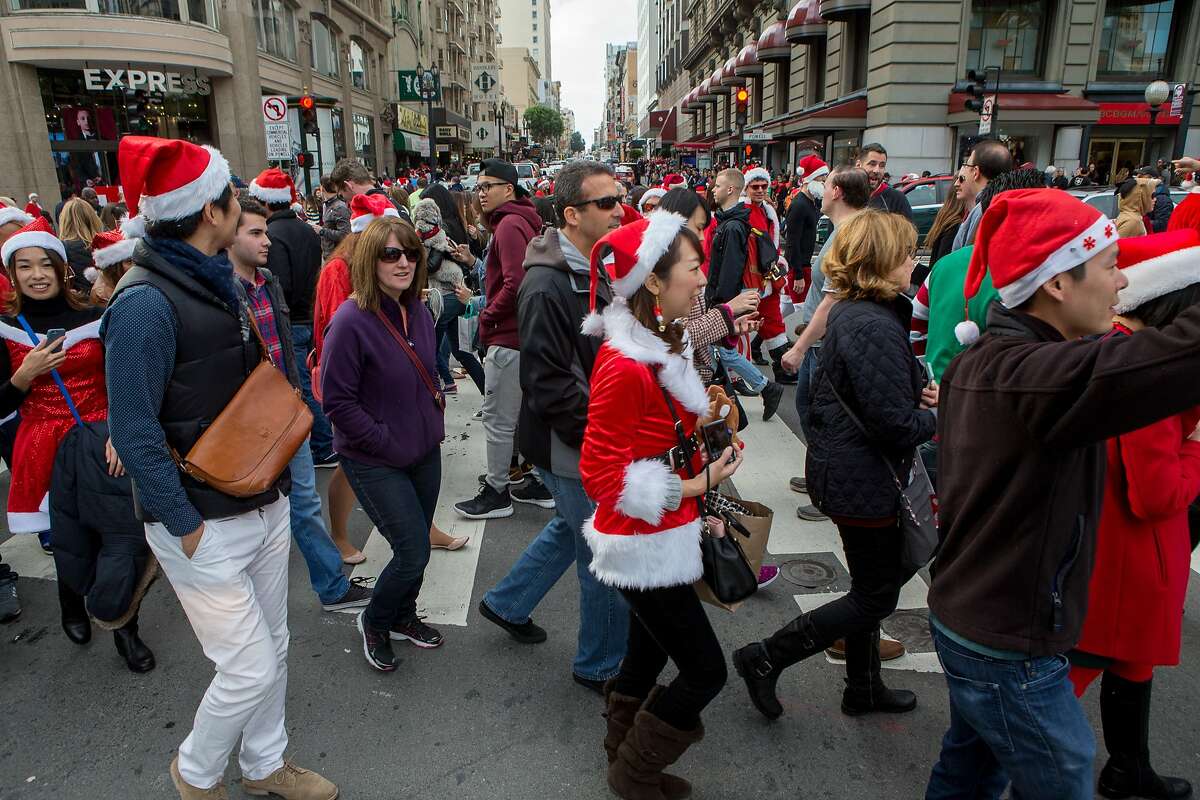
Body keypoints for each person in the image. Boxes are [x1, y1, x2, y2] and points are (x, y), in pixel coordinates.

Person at [924, 189, 1200, 800]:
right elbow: (1169, 359)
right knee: (1065, 775)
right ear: (1056, 284)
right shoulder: (1032, 375)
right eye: (1107, 266)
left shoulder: (999, 358)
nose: (1122, 280)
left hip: (979, 614)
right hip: (1007, 637)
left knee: (970, 770)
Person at [103, 136, 337, 800]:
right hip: (200, 521)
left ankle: (265, 766)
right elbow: (135, 429)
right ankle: (197, 773)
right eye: (234, 195)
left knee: (274, 648)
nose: (244, 204)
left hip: (258, 502)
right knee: (248, 667)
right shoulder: (145, 301)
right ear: (211, 211)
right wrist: (183, 525)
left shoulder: (213, 278)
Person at [734, 209, 934, 721]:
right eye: (908, 252)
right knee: (875, 596)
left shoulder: (858, 312)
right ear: (883, 260)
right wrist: (938, 415)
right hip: (864, 477)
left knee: (870, 587)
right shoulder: (871, 322)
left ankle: (863, 688)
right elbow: (892, 422)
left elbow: (865, 396)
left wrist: (917, 393)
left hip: (850, 471)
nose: (914, 261)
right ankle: (765, 657)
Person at [580, 212, 742, 800]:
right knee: (705, 671)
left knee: (646, 656)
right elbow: (600, 475)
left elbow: (655, 432)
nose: (703, 281)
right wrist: (697, 487)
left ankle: (621, 757)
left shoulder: (657, 342)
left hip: (662, 534)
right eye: (694, 269)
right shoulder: (624, 363)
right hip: (640, 542)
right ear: (653, 280)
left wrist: (707, 422)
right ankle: (634, 772)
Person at [479, 160, 630, 694]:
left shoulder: (591, 264)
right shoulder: (548, 284)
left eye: (618, 197)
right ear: (572, 214)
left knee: (570, 526)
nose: (619, 209)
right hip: (571, 442)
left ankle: (507, 602)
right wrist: (601, 437)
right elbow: (547, 384)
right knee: (603, 553)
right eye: (606, 203)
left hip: (579, 435)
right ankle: (601, 663)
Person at [1067, 229, 1200, 800]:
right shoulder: (1145, 370)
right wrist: (1196, 450)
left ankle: (1129, 767)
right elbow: (1155, 492)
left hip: (1110, 550)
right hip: (1126, 559)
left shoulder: (1116, 352)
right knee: (1075, 675)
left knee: (1129, 663)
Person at [0, 216, 155, 673]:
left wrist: (123, 432)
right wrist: (23, 376)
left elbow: (124, 378)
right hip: (43, 444)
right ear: (12, 273)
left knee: (122, 535)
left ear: (62, 267)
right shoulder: (5, 329)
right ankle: (72, 600)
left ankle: (126, 627)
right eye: (24, 266)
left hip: (103, 437)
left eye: (45, 263)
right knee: (69, 533)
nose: (36, 274)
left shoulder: (95, 317)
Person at [228, 196, 372, 614]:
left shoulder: (268, 280)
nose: (266, 241)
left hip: (285, 411)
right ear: (228, 236)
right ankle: (243, 601)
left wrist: (299, 399)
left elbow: (287, 351)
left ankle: (332, 587)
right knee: (251, 516)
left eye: (265, 232)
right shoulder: (219, 288)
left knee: (305, 503)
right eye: (255, 233)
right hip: (246, 422)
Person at [321, 215, 447, 671]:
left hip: (423, 451)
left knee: (417, 549)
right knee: (413, 549)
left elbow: (429, 371)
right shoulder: (350, 321)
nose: (404, 261)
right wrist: (383, 441)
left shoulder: (417, 308)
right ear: (369, 261)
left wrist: (432, 422)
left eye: (411, 252)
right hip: (375, 459)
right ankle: (375, 620)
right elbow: (336, 402)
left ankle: (403, 615)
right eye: (390, 253)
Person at [453, 159, 548, 519]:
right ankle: (531, 481)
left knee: (497, 419)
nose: (481, 192)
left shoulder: (508, 224)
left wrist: (487, 315)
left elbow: (516, 283)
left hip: (508, 339)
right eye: (478, 187)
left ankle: (496, 492)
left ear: (508, 189)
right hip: (522, 337)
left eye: (488, 186)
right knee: (523, 416)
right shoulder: (520, 220)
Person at [780, 166, 872, 528]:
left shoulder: (848, 235)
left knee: (825, 417)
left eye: (825, 183)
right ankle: (819, 473)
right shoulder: (841, 230)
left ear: (836, 193)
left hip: (827, 343)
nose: (817, 188)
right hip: (821, 341)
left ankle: (830, 488)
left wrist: (800, 347)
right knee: (808, 408)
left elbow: (832, 300)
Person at [911, 168, 1045, 383]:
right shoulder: (1032, 273)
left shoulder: (945, 265)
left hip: (939, 392)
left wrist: (928, 373)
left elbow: (916, 322)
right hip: (988, 403)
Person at [248, 168, 336, 468]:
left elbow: (281, 284)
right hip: (308, 315)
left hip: (293, 320)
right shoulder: (303, 229)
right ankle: (324, 443)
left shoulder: (274, 235)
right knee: (310, 384)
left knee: (303, 389)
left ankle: (324, 445)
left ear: (265, 201)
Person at [705, 167, 785, 414]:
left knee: (719, 350)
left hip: (725, 299)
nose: (713, 189)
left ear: (730, 189)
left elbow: (729, 269)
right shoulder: (733, 222)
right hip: (726, 297)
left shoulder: (733, 227)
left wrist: (720, 305)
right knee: (718, 350)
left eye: (717, 186)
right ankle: (762, 388)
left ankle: (764, 388)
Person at [412, 196, 482, 394]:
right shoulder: (434, 236)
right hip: (450, 296)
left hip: (446, 297)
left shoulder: (436, 239)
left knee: (429, 348)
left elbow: (431, 266)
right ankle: (485, 392)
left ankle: (434, 391)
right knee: (460, 352)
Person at [952, 139, 1014, 249]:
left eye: (967, 165)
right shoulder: (1008, 205)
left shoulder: (984, 210)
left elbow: (966, 259)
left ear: (976, 172)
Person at [784, 154, 828, 303]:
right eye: (822, 179)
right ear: (811, 179)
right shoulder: (799, 205)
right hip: (799, 268)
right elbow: (792, 241)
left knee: (789, 310)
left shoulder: (811, 202)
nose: (824, 183)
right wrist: (798, 275)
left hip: (802, 266)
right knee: (801, 312)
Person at [320, 160, 372, 260]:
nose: (346, 202)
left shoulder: (340, 207)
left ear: (348, 186)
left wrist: (322, 231)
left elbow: (345, 234)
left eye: (341, 195)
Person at [856, 144, 912, 220]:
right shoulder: (845, 195)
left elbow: (907, 231)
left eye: (882, 166)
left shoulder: (897, 199)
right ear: (858, 165)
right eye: (872, 164)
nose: (877, 170)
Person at [57, 197, 102, 290]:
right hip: (108, 300)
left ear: (64, 221)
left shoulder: (60, 249)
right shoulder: (107, 243)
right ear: (93, 218)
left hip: (77, 301)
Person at [1139, 168, 1174, 233]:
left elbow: (1162, 224)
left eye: (1141, 176)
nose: (1139, 178)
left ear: (1152, 178)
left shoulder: (1162, 199)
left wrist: (1141, 222)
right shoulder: (1145, 192)